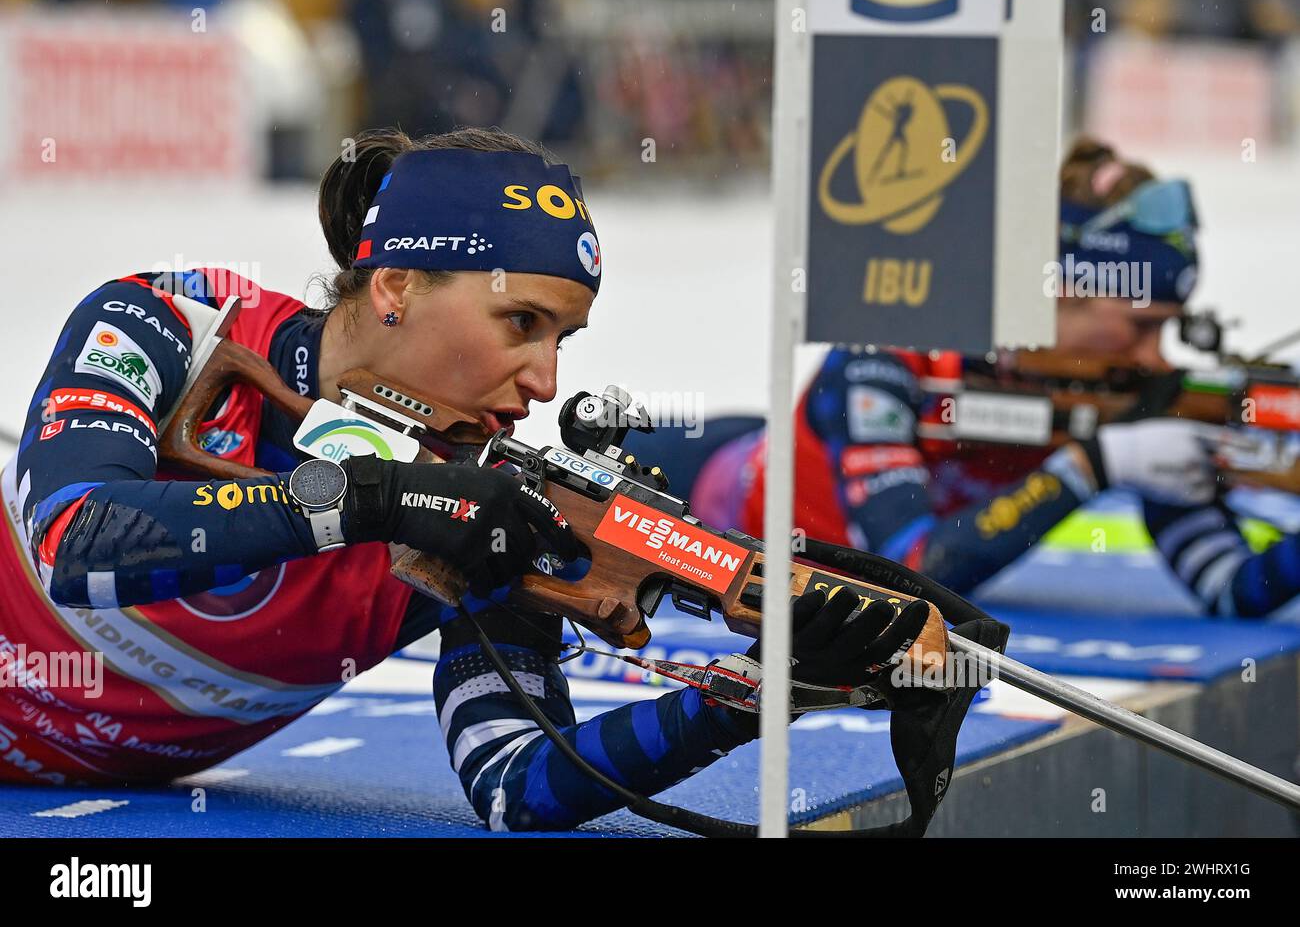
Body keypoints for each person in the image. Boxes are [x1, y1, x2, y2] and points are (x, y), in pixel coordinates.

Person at [0, 127, 928, 832]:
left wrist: (743, 695)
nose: (547, 381)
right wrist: (376, 500)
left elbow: (516, 781)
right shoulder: (170, 317)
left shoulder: (493, 497)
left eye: (563, 339)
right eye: (522, 322)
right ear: (396, 284)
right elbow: (73, 541)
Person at [643, 137, 1300, 620]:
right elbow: (914, 572)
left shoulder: (1125, 390)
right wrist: (1092, 465)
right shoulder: (891, 353)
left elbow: (1229, 584)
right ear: (1056, 292)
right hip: (690, 490)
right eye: (1139, 325)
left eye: (1171, 328)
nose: (1158, 357)